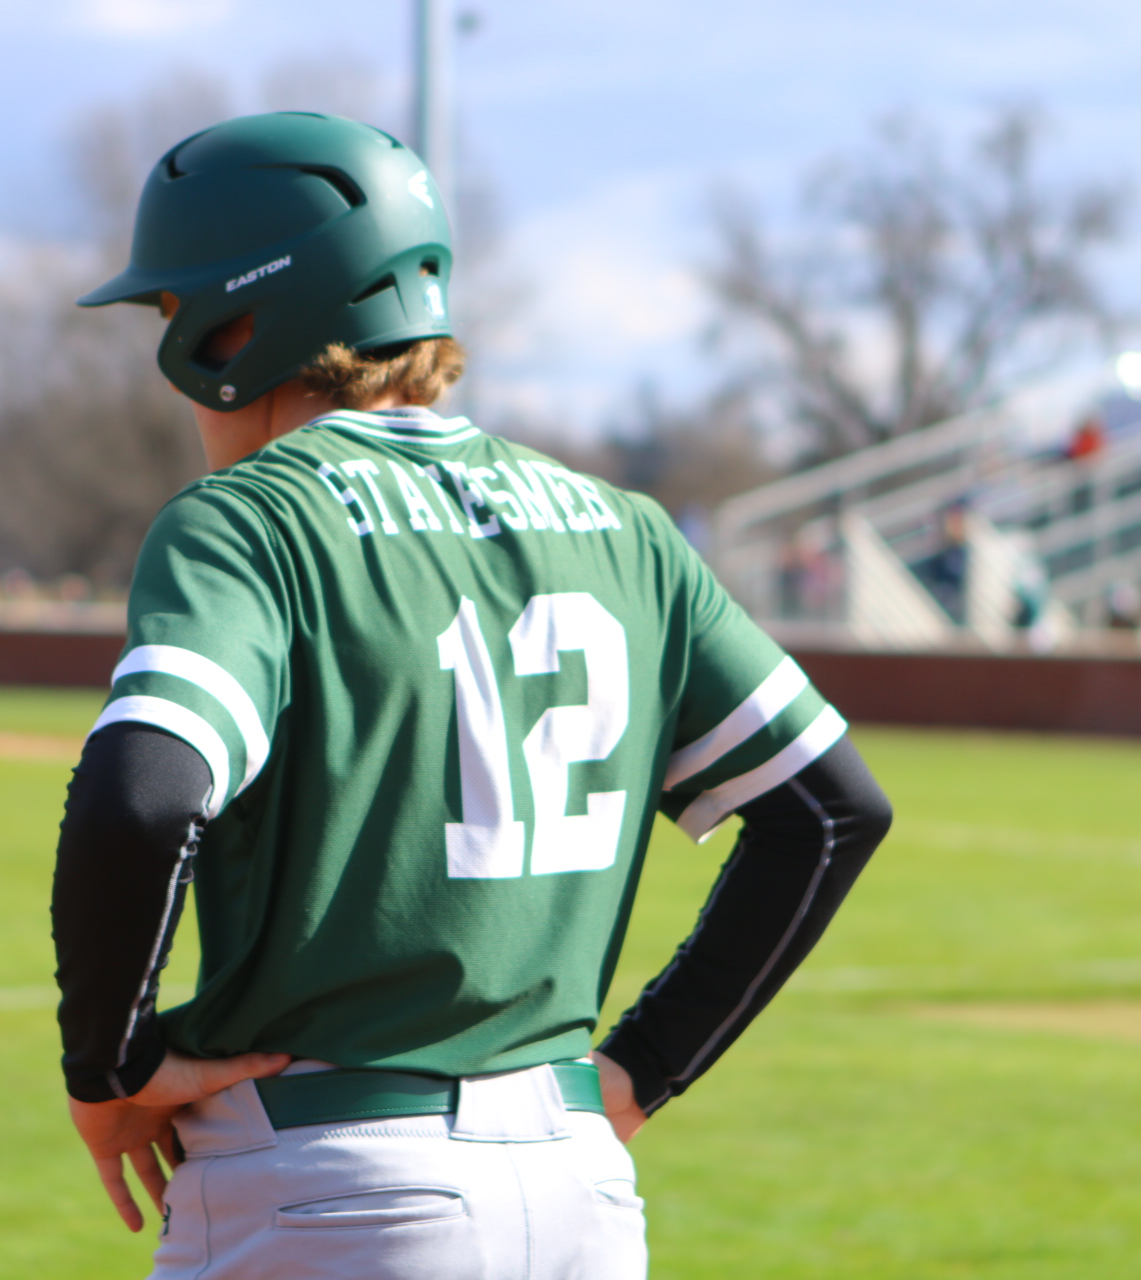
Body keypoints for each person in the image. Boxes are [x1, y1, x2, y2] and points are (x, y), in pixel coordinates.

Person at [49, 113, 892, 1280]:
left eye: (175, 314)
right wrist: (643, 1066)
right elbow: (831, 808)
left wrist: (108, 1068)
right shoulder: (627, 530)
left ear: (237, 330)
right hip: (580, 1195)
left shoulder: (250, 520)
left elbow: (140, 797)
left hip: (323, 1186)